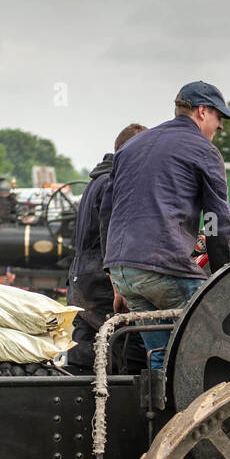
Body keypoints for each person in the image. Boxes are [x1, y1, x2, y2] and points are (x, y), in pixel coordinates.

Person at [101, 81, 230, 369]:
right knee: (219, 345)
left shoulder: (131, 146)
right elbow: (216, 219)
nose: (220, 128)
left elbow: (108, 213)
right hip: (163, 268)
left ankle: (159, 412)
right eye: (219, 119)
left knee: (163, 358)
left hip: (124, 273)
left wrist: (116, 279)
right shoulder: (203, 150)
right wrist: (227, 275)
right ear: (202, 111)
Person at [65, 122, 150, 374]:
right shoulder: (113, 184)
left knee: (86, 349)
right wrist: (119, 285)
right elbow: (111, 236)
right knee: (129, 344)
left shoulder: (95, 182)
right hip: (103, 283)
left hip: (81, 278)